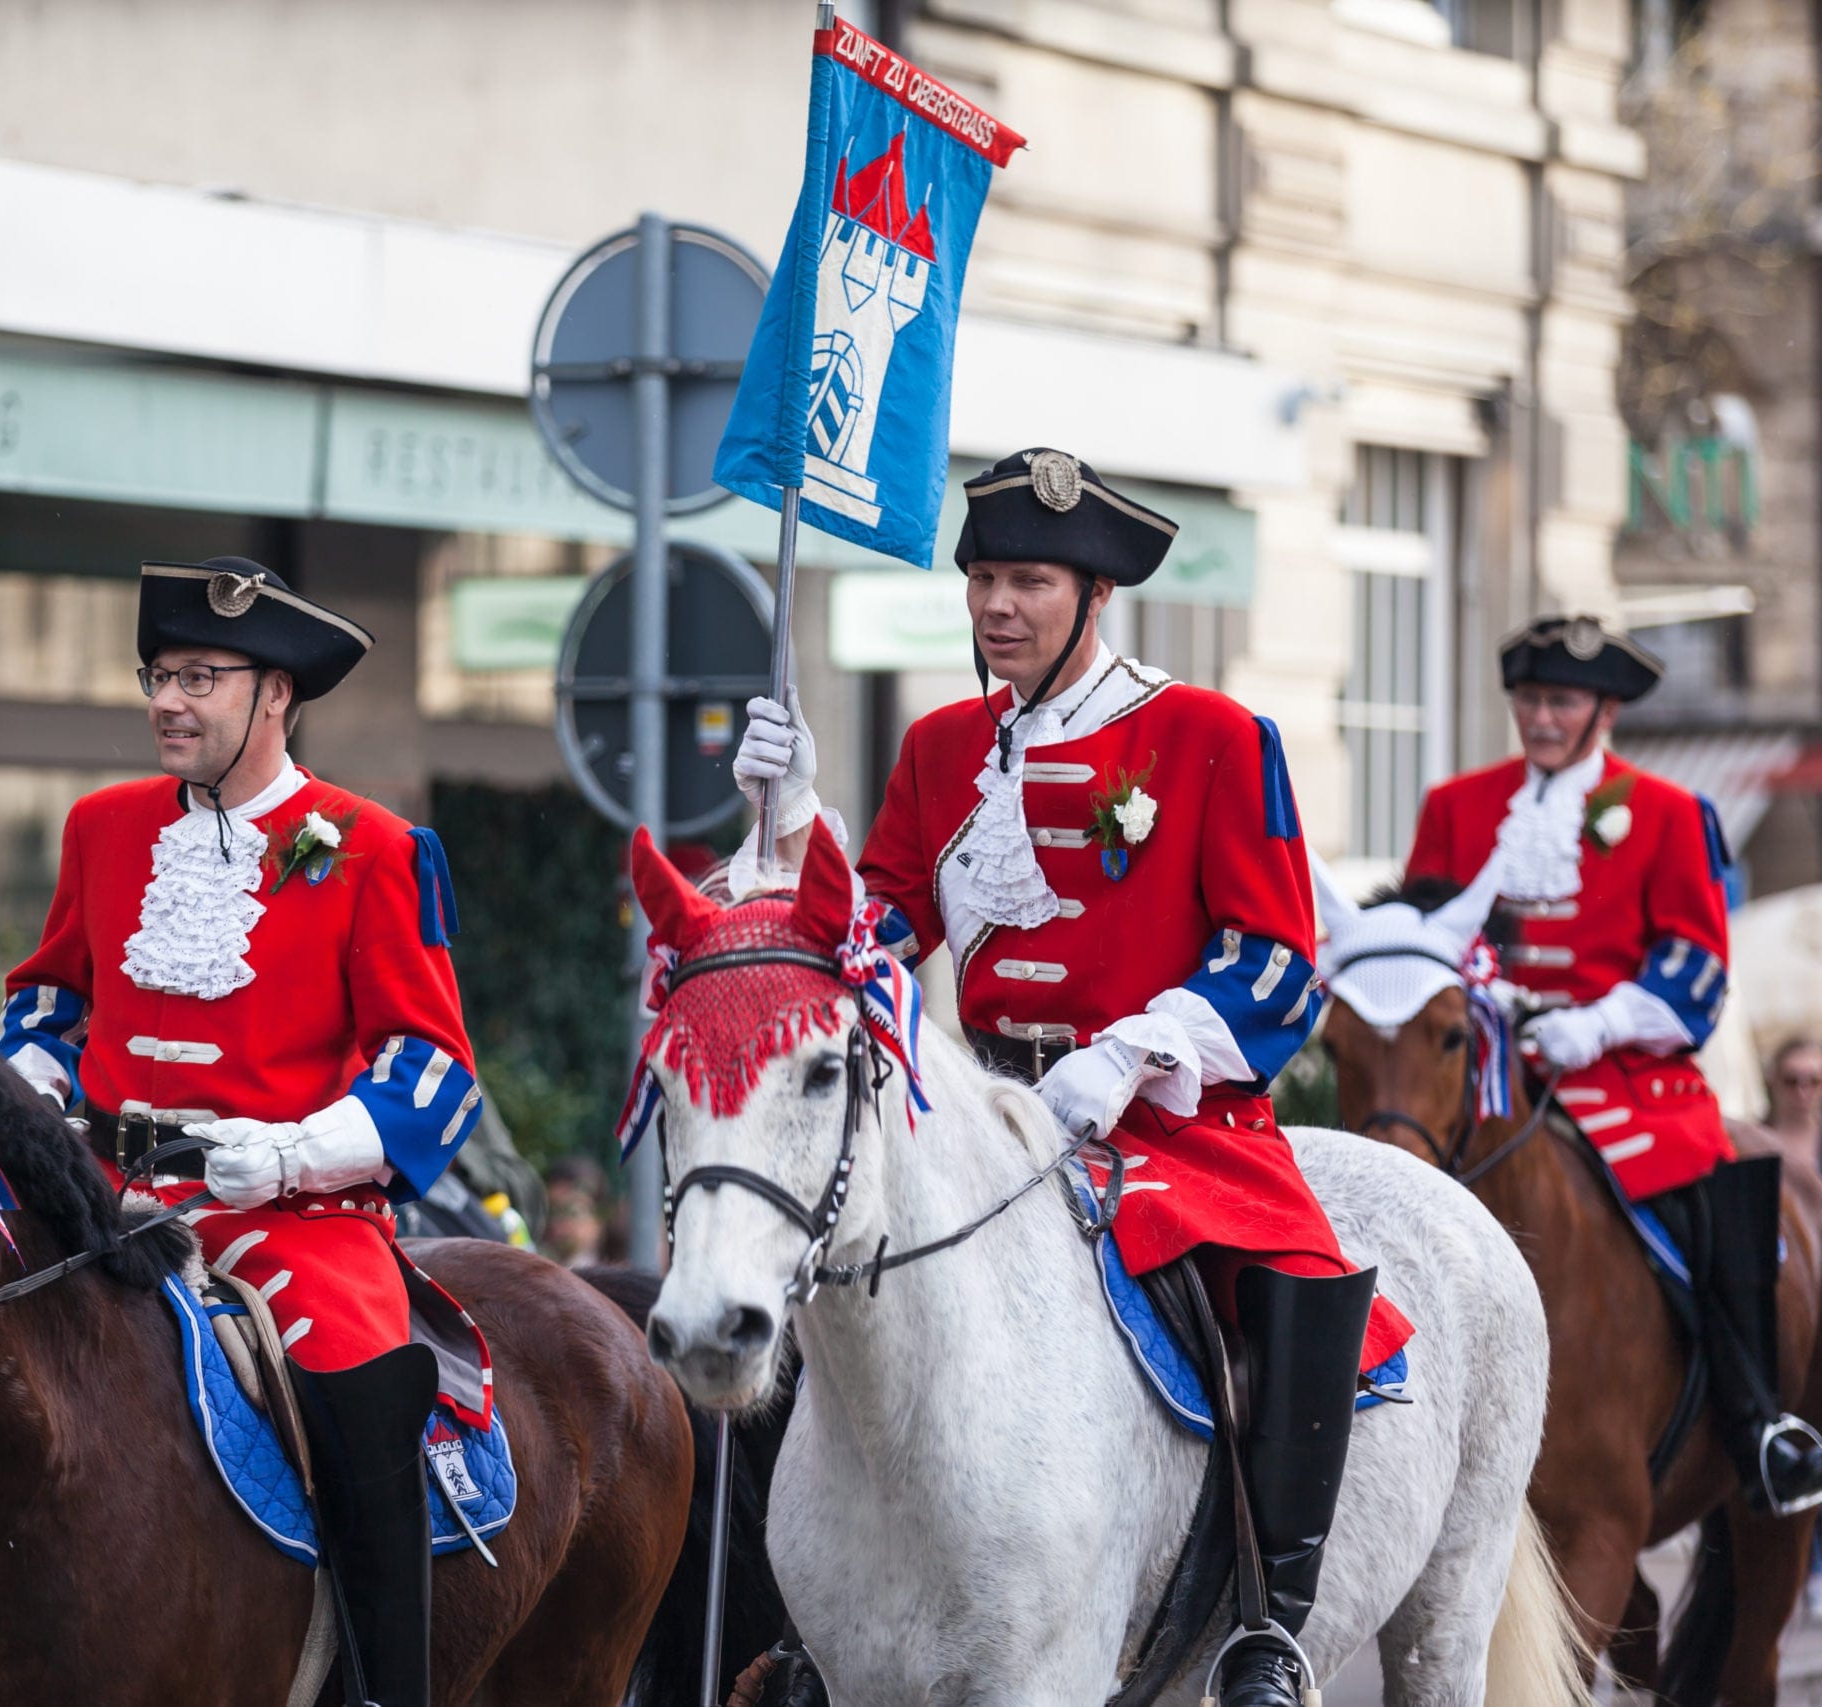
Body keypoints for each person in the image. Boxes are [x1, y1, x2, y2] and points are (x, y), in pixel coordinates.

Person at [733, 448, 1407, 1707]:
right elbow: (863, 948)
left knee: (1293, 1278)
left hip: (1165, 1117)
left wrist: (1130, 1053)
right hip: (974, 1110)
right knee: (793, 1273)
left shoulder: (1209, 735)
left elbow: (1273, 967)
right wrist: (790, 826)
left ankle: (1271, 1621)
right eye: (982, 577)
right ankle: (802, 1625)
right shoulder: (939, 751)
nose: (995, 605)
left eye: (1026, 581)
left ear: (1095, 597)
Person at [0, 555, 480, 1707]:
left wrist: (293, 1150)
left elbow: (430, 1071)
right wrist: (30, 1082)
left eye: (197, 677)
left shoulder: (370, 846)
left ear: (275, 695)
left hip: (297, 1215)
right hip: (104, 1201)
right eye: (157, 675)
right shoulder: (102, 827)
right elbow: (51, 1002)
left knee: (362, 1397)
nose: (166, 700)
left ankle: (380, 1688)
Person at [1406, 614, 1822, 1514]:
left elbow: (1697, 967)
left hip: (1627, 1073)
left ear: (1604, 714)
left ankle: (1758, 1421)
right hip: (1479, 1067)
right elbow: (1422, 935)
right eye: (1530, 699)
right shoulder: (1457, 807)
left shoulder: (1672, 814)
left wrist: (1596, 1024)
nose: (1542, 718)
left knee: (1716, 1181)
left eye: (1562, 702)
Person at [1761, 1037, 1822, 1164]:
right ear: (1774, 1081)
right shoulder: (1751, 1141)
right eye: (1791, 1081)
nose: (1802, 1092)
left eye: (1814, 1082)